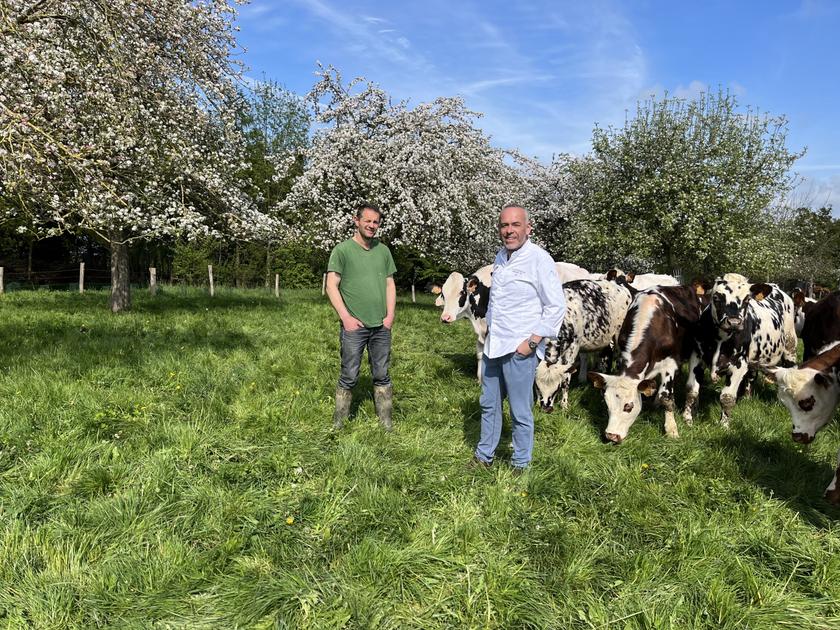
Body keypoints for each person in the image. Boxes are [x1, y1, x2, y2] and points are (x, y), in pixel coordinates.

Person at [473, 204, 566, 471]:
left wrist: (532, 342)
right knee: (489, 404)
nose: (509, 231)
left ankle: (521, 463)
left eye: (515, 225)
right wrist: (488, 325)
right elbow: (495, 300)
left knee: (520, 410)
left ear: (528, 228)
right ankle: (484, 456)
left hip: (520, 348)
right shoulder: (500, 258)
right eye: (504, 225)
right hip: (494, 345)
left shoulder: (539, 259)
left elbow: (555, 306)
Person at [326, 203, 397, 431]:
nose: (372, 225)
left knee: (382, 373)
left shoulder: (383, 251)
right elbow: (331, 286)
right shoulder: (342, 250)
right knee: (349, 374)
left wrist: (390, 317)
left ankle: (386, 423)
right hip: (354, 326)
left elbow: (390, 284)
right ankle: (339, 423)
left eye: (376, 222)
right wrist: (346, 317)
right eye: (367, 220)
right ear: (356, 221)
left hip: (381, 326)